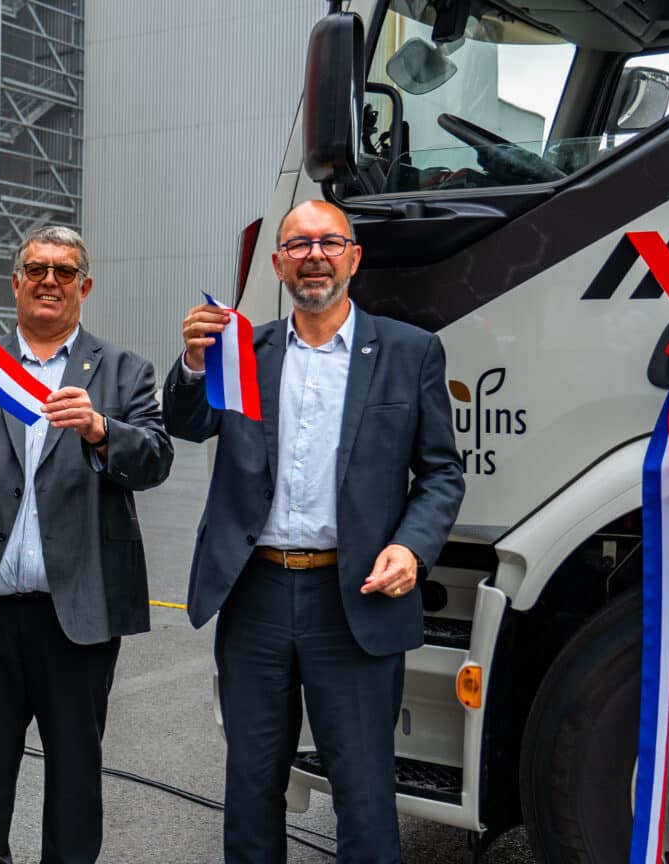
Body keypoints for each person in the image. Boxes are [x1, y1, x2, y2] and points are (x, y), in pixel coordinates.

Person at [164, 199, 464, 863]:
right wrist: (190, 364)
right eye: (298, 244)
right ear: (278, 263)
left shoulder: (409, 353)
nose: (314, 255)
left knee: (363, 794)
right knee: (250, 785)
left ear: (354, 258)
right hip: (257, 596)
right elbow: (187, 425)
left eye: (330, 241)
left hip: (354, 597)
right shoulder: (245, 351)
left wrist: (411, 547)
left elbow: (442, 474)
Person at [0, 225, 172, 864]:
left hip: (76, 613)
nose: (51, 280)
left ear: (85, 286)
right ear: (15, 281)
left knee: (76, 780)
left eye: (65, 271)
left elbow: (155, 459)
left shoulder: (124, 370)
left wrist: (103, 430)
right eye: (37, 268)